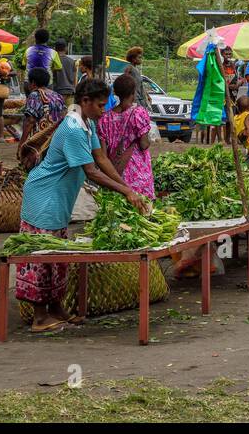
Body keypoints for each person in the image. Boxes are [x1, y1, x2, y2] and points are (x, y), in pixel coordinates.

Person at [17, 78, 147, 332]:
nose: (103, 110)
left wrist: (128, 190)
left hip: (59, 198)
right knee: (42, 255)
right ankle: (40, 317)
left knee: (59, 256)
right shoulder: (73, 129)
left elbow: (101, 159)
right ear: (85, 102)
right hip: (44, 196)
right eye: (99, 105)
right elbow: (91, 171)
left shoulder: (88, 124)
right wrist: (125, 192)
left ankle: (57, 309)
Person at [98, 72, 156, 201]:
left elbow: (103, 154)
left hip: (115, 176)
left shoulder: (104, 118)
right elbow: (144, 144)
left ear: (116, 93)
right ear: (133, 92)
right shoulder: (139, 113)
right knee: (142, 212)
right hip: (138, 174)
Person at [18, 68, 66, 167]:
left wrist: (22, 144)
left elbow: (30, 121)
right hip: (55, 139)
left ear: (33, 82)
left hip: (40, 140)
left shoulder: (35, 95)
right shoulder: (57, 96)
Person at [52, 39, 76, 104]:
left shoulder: (53, 62)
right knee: (69, 113)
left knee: (59, 113)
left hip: (58, 92)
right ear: (66, 48)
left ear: (55, 49)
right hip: (70, 91)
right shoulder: (72, 61)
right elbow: (74, 79)